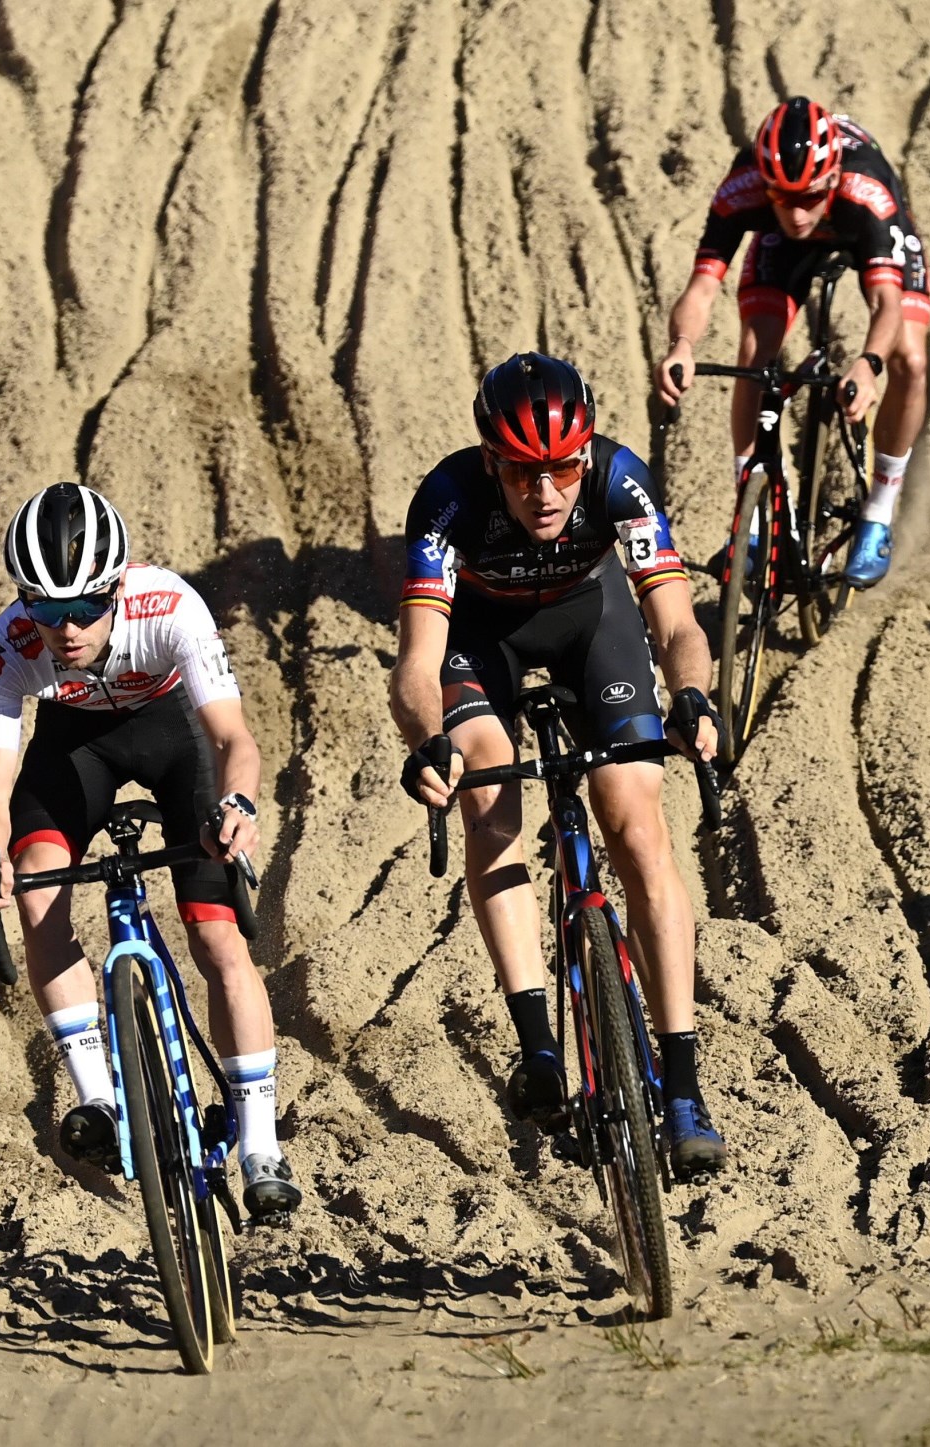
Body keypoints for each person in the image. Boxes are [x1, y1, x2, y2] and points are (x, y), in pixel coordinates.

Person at [390, 353, 729, 1176]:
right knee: (490, 785)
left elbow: (678, 625)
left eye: (562, 470)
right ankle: (537, 1041)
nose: (545, 493)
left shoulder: (620, 478)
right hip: (481, 643)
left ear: (586, 456)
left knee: (637, 824)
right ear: (490, 461)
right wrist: (424, 739)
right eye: (522, 474)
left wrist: (691, 697)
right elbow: (416, 664)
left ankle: (682, 1079)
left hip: (592, 626)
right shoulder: (446, 500)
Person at [0, 482, 301, 1220]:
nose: (66, 629)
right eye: (46, 611)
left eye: (83, 608)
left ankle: (260, 1142)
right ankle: (101, 1101)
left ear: (118, 585)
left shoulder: (169, 605)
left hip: (172, 735)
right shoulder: (7, 646)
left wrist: (237, 807)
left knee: (215, 934)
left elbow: (234, 739)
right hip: (74, 747)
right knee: (37, 888)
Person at [655, 96, 930, 588]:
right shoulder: (743, 189)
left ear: (831, 178)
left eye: (808, 198)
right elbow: (701, 286)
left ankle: (879, 514)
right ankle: (752, 522)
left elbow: (886, 303)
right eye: (783, 197)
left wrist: (868, 363)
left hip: (862, 226)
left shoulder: (866, 191)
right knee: (753, 354)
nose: (798, 214)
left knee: (908, 358)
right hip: (782, 247)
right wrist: (681, 345)